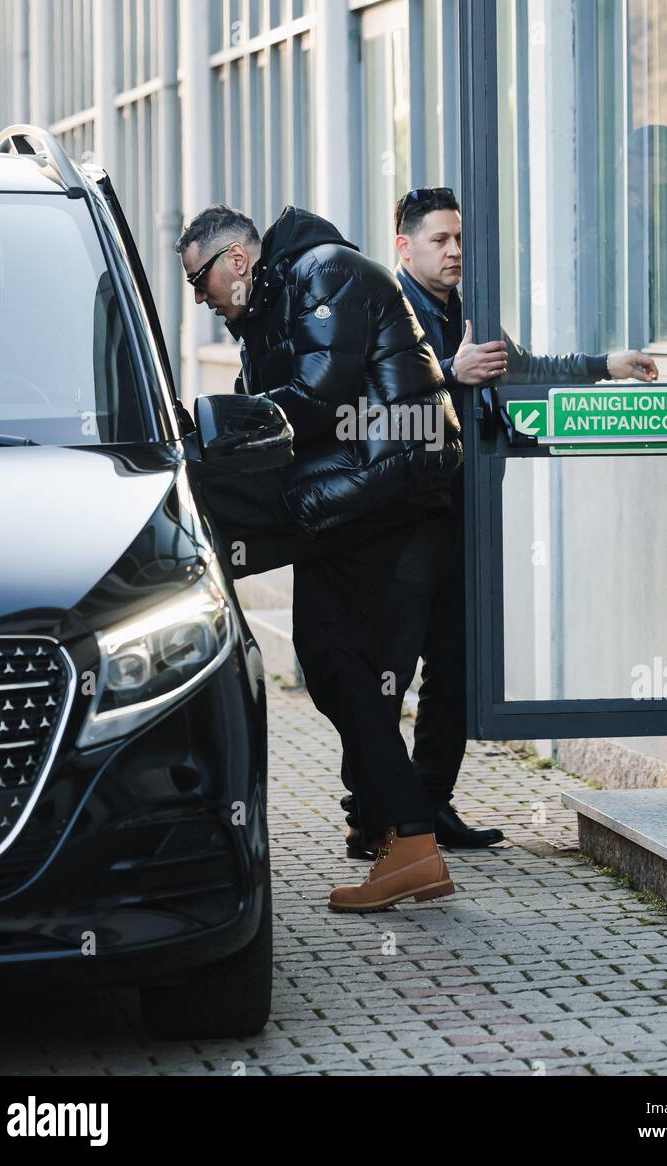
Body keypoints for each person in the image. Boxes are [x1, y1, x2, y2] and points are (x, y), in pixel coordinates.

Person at [341, 187, 660, 859]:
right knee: (386, 675)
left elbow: (524, 368)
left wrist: (604, 366)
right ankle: (374, 818)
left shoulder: (468, 312)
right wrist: (449, 377)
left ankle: (429, 808)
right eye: (440, 240)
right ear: (404, 247)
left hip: (463, 520)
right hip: (401, 528)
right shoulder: (376, 312)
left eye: (460, 239)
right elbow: (366, 417)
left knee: (455, 669)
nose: (455, 251)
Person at [176, 203, 465, 911]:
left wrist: (205, 425)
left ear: (236, 261)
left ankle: (409, 833)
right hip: (350, 502)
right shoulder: (271, 306)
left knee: (348, 663)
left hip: (393, 492)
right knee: (331, 660)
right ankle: (405, 837)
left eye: (200, 280)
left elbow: (314, 398)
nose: (200, 297)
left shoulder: (324, 272)